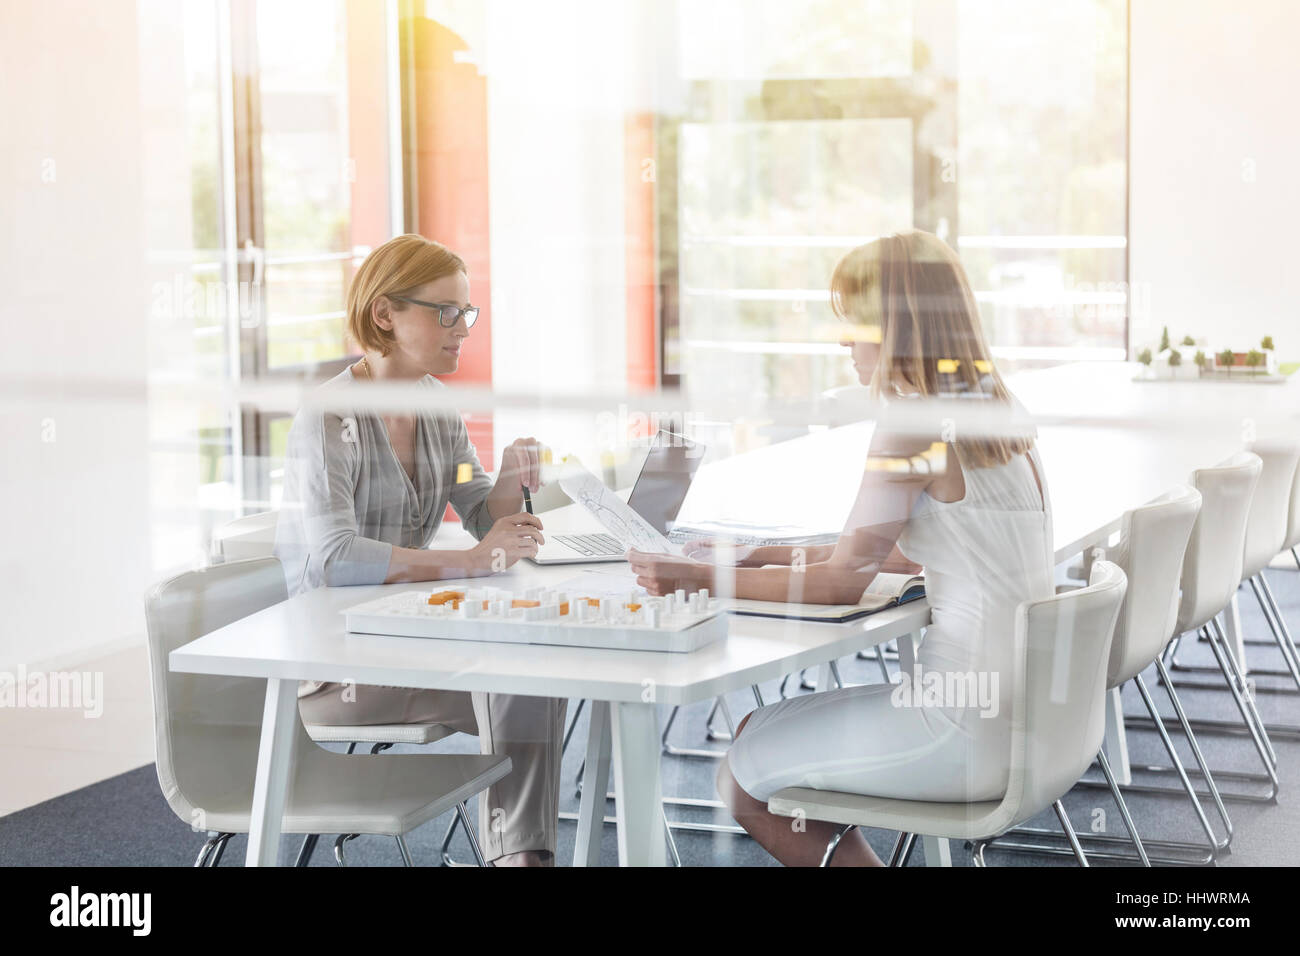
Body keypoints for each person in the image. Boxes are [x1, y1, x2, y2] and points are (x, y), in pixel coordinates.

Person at [628, 230, 1054, 866]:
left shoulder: (913, 419)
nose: (843, 341)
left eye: (854, 322)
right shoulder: (1002, 411)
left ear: (893, 325)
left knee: (744, 774)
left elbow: (841, 583)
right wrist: (755, 553)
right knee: (759, 738)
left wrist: (699, 576)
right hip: (1030, 721)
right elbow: (899, 554)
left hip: (960, 726)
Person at [274, 234, 565, 866]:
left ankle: (521, 854)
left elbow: (478, 506)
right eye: (445, 312)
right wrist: (465, 560)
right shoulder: (330, 421)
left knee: (538, 678)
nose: (462, 328)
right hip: (335, 668)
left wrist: (513, 477)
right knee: (522, 682)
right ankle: (521, 858)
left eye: (466, 312)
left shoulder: (435, 405)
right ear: (385, 314)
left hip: (405, 638)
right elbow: (335, 557)